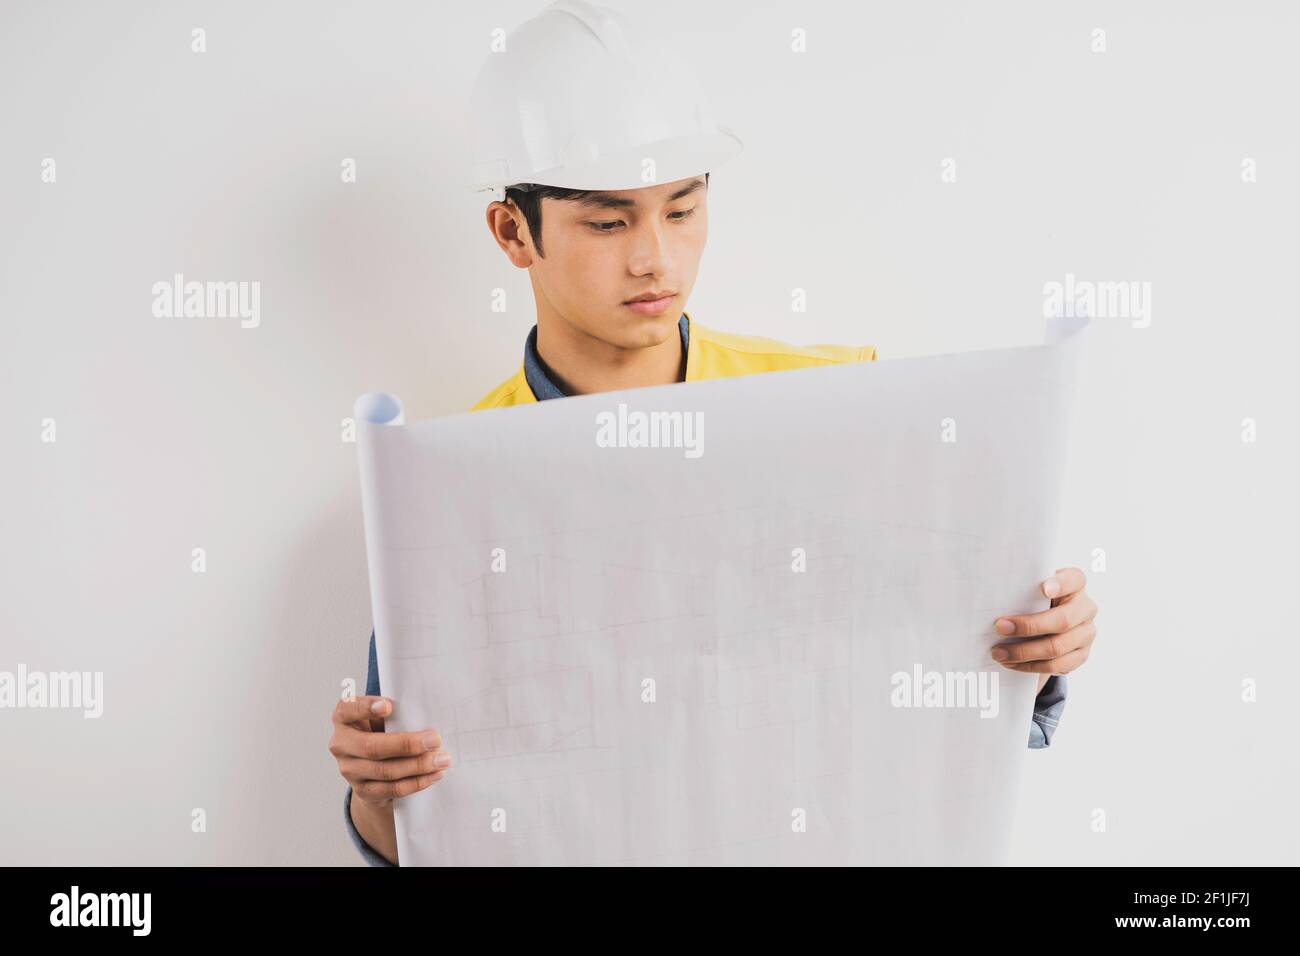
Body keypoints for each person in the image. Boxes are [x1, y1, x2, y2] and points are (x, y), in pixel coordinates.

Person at [331, 0, 1097, 866]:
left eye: (682, 209)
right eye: (609, 220)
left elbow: (921, 706)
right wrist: (373, 792)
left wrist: (1034, 655)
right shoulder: (443, 488)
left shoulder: (843, 404)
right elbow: (421, 835)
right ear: (514, 231)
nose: (656, 257)